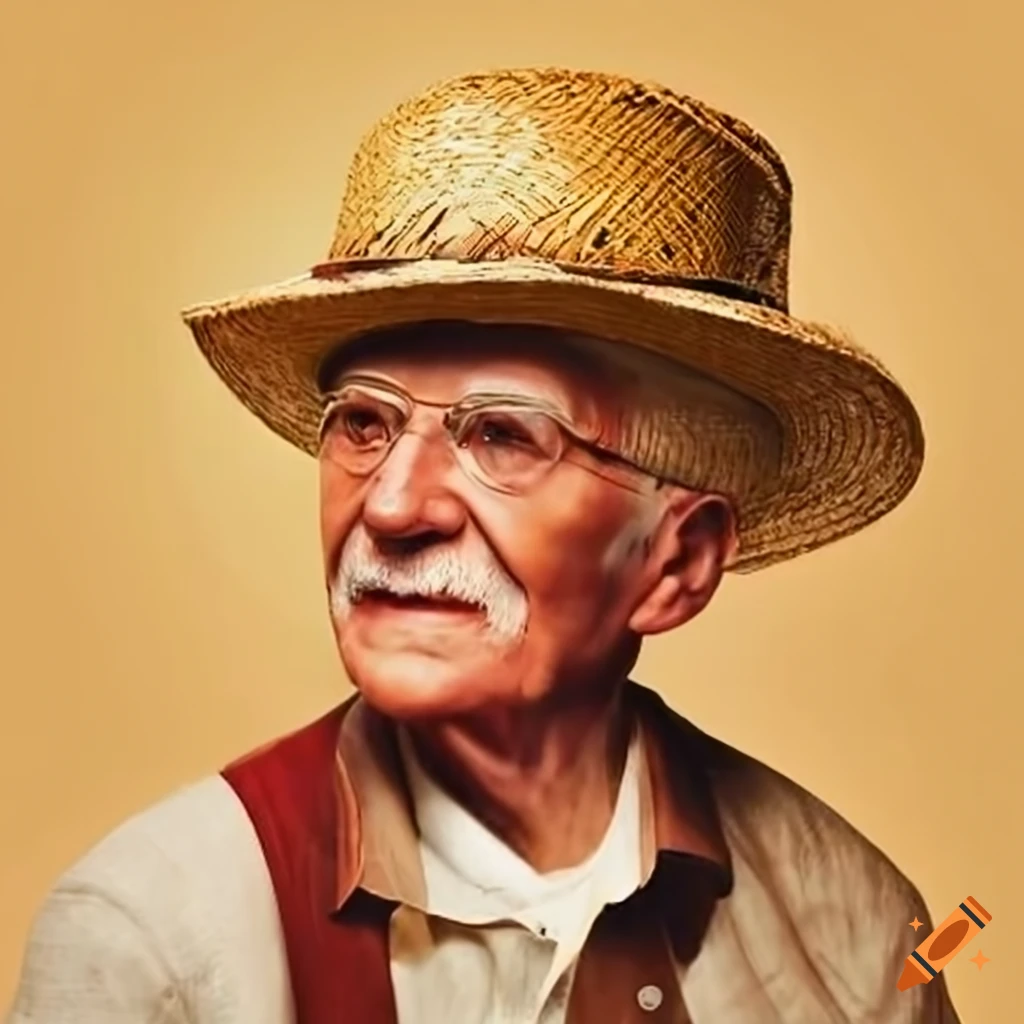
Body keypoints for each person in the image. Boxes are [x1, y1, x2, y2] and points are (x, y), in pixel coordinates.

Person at [5, 67, 961, 1024]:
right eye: (364, 422)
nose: (390, 507)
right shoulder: (152, 939)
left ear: (678, 562)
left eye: (503, 435)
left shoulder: (867, 943)